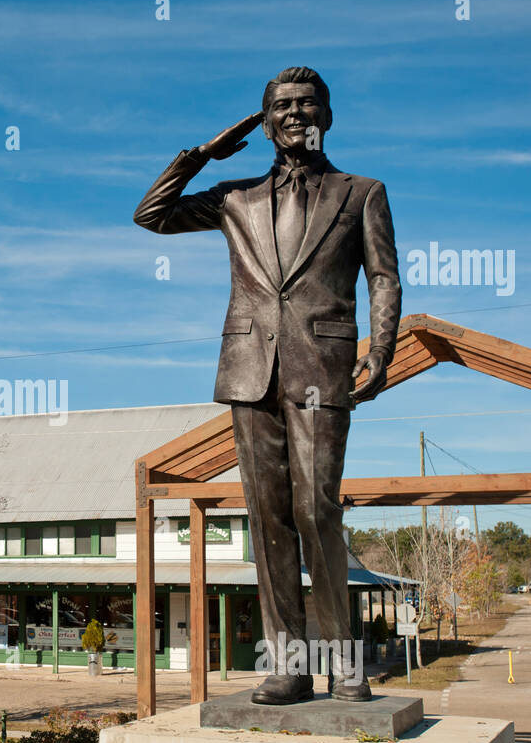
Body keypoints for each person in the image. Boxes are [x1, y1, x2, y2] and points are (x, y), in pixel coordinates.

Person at [134, 66, 402, 704]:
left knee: (316, 511)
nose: (295, 113)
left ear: (327, 117)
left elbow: (383, 278)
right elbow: (152, 215)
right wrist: (202, 156)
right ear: (264, 120)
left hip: (324, 369)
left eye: (308, 103)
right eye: (281, 105)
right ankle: (287, 665)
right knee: (270, 520)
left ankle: (344, 664)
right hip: (251, 372)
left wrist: (381, 351)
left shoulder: (361, 192)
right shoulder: (235, 197)